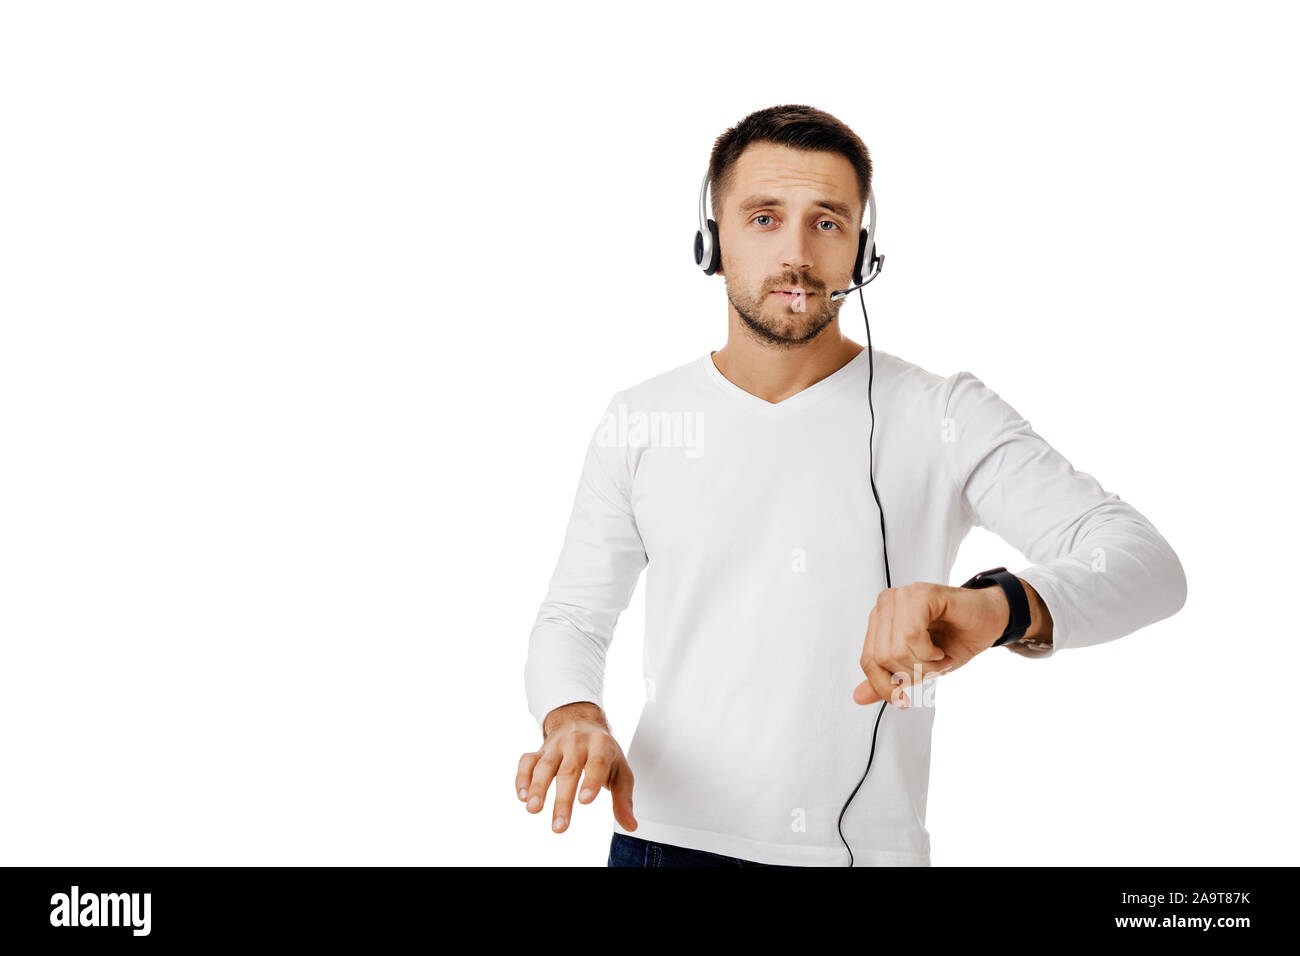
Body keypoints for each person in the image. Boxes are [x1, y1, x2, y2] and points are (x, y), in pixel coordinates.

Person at [515, 104, 1187, 867]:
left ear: (863, 251)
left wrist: (996, 607)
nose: (795, 254)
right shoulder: (641, 417)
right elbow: (572, 615)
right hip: (664, 844)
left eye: (827, 223)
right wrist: (572, 715)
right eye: (764, 217)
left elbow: (1147, 564)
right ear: (712, 239)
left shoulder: (943, 413)